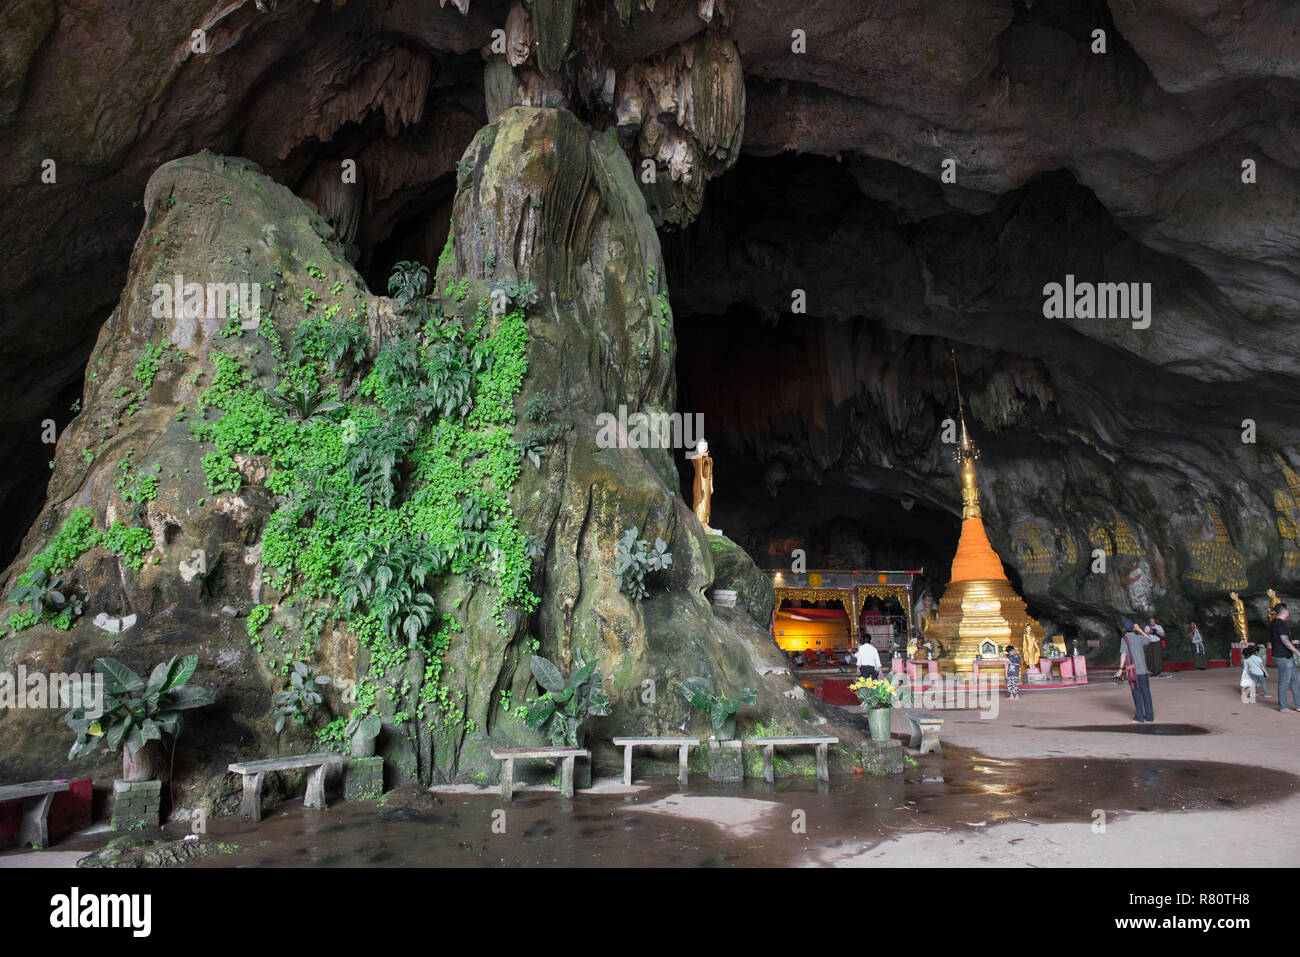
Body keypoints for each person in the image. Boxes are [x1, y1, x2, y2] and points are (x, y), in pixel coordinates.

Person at [1117, 619, 1154, 723]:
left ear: (1124, 629)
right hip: (1143, 671)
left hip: (1133, 672)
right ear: (1133, 628)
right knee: (1146, 692)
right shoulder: (1139, 637)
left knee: (1137, 693)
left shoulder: (1125, 639)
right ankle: (1150, 717)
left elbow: (1123, 654)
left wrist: (1120, 669)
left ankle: (1139, 717)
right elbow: (1150, 639)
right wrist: (1140, 630)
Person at [1270, 603, 1300, 713]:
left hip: (1284, 656)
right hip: (1283, 657)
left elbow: (1282, 639)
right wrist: (1297, 652)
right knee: (1284, 681)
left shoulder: (1274, 622)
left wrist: (1293, 642)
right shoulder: (1281, 624)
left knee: (1296, 680)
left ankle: (1298, 705)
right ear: (1285, 611)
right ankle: (1283, 707)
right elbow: (1284, 641)